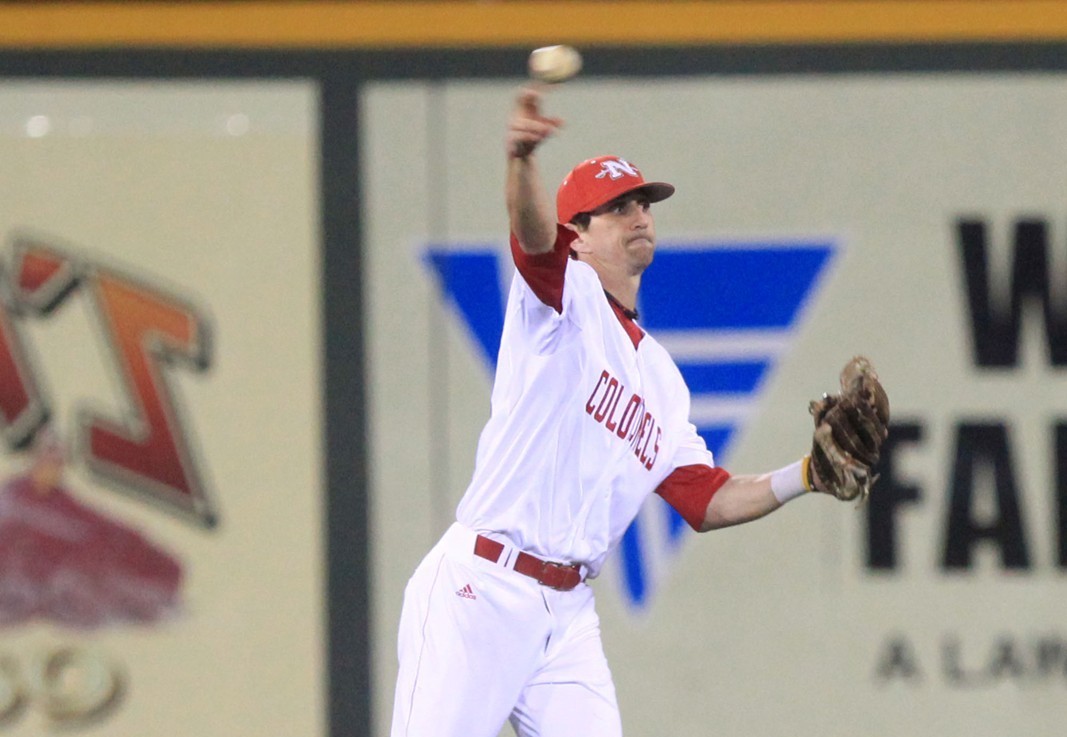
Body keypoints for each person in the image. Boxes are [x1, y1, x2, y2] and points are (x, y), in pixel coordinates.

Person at [391, 85, 829, 737]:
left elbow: (704, 499)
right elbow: (533, 236)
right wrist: (521, 163)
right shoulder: (559, 300)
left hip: (566, 613)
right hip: (480, 588)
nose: (639, 214)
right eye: (617, 207)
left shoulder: (661, 379)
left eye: (643, 203)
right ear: (578, 236)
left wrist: (809, 472)